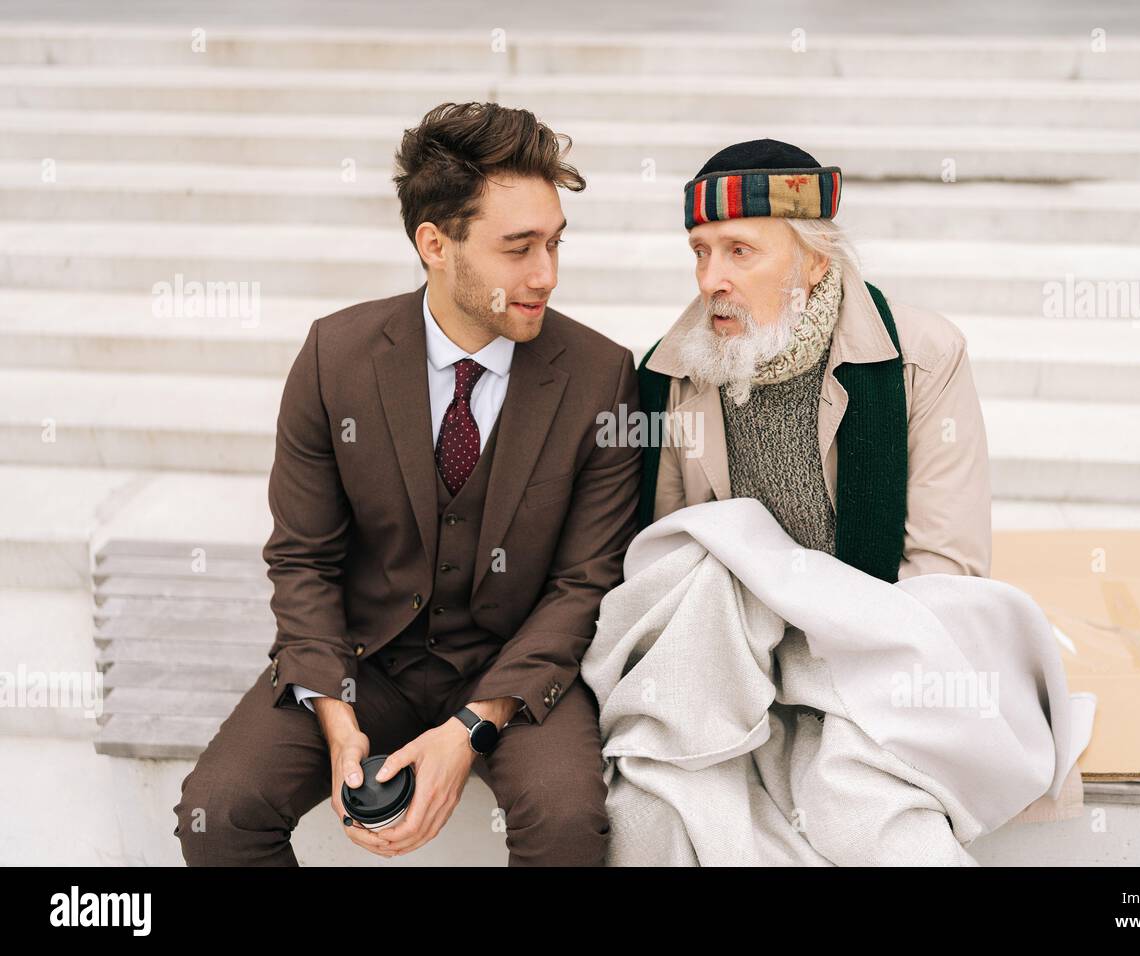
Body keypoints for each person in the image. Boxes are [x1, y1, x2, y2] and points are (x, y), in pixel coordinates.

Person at [173, 102, 641, 866]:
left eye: (555, 244)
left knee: (566, 827)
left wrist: (472, 727)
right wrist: (333, 712)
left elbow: (587, 582)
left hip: (517, 673)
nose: (546, 275)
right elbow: (303, 559)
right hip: (364, 662)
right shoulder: (336, 356)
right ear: (434, 243)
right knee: (218, 814)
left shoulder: (600, 375)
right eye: (518, 248)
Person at [637, 138, 991, 583]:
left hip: (878, 631)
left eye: (739, 251)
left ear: (815, 260)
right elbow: (664, 558)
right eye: (701, 252)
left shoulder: (925, 359)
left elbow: (945, 573)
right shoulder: (674, 373)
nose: (710, 281)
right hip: (731, 632)